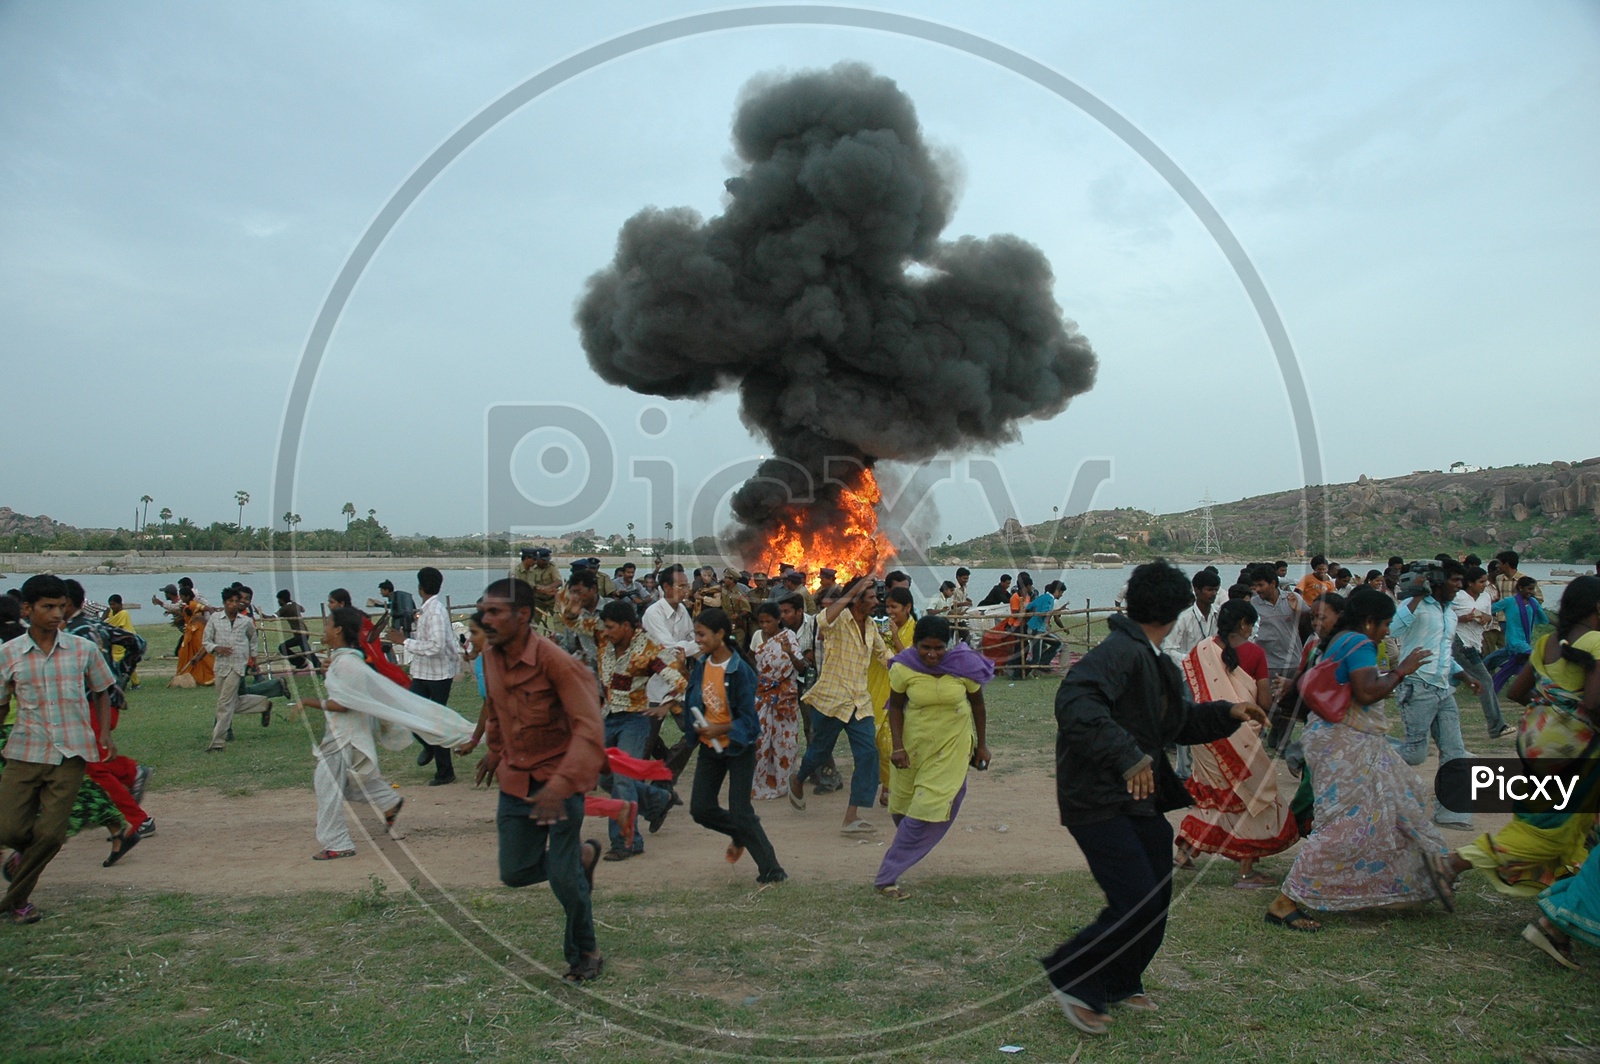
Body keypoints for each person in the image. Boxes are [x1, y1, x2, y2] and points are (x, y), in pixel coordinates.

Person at [1042, 561, 1268, 1035]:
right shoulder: (1118, 652)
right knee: (1135, 898)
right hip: (1098, 798)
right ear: (1178, 609)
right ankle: (1071, 971)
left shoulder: (1153, 659)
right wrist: (1129, 755)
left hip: (1135, 800)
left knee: (1156, 892)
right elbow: (1075, 705)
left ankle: (1121, 980)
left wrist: (1228, 710)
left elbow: (1177, 722)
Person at [1264, 588, 1458, 933]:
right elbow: (1367, 691)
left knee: (1402, 798)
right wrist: (1403, 670)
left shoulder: (1339, 640)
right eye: (1384, 623)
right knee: (1344, 826)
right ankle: (1285, 902)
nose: (1386, 631)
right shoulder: (1360, 644)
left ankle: (1428, 873)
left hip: (1341, 740)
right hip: (1345, 744)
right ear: (1369, 621)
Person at [476, 578, 606, 984]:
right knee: (513, 872)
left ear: (524, 615)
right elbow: (498, 710)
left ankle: (585, 952)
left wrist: (561, 785)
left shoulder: (557, 663)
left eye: (495, 611)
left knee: (565, 881)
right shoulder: (490, 656)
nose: (486, 619)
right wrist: (494, 751)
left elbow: (588, 730)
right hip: (515, 779)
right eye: (484, 610)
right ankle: (585, 857)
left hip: (558, 782)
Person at [1450, 576, 1599, 897]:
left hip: (1537, 744)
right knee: (1549, 829)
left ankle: (1567, 889)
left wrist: (1553, 707)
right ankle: (1453, 862)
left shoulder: (1548, 643)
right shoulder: (1596, 642)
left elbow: (1517, 691)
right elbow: (1595, 703)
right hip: (1573, 751)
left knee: (1567, 820)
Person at [297, 607, 475, 859]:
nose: (324, 628)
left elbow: (344, 704)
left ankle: (337, 843)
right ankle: (387, 801)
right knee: (341, 786)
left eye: (327, 623)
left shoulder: (347, 662)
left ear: (338, 629)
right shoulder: (344, 659)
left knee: (327, 787)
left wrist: (308, 702)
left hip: (342, 736)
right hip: (343, 733)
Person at [0, 575, 119, 924]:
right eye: (47, 607)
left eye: (61, 607)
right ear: (27, 609)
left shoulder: (83, 650)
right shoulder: (8, 654)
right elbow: (3, 701)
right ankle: (24, 857)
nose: (57, 614)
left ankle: (17, 901)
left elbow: (102, 690)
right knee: (8, 830)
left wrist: (106, 735)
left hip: (71, 752)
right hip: (25, 750)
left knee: (51, 835)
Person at [1173, 600, 1296, 885]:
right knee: (1252, 797)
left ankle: (1184, 853)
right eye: (1251, 625)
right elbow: (1264, 702)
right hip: (1239, 737)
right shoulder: (1254, 653)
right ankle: (1246, 870)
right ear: (1243, 624)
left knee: (1211, 795)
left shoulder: (1201, 650)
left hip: (1204, 737)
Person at [874, 614, 992, 899]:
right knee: (902, 806)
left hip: (952, 747)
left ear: (948, 645)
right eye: (926, 647)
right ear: (915, 644)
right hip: (914, 747)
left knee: (928, 807)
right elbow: (897, 708)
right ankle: (910, 845)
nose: (932, 654)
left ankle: (887, 876)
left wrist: (982, 745)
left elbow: (978, 706)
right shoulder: (903, 668)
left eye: (939, 648)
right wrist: (898, 748)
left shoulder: (964, 666)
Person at [680, 607, 787, 883]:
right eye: (696, 634)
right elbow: (693, 699)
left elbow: (749, 722)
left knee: (741, 811)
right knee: (700, 810)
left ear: (720, 634)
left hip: (738, 747)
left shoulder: (740, 671)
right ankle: (741, 831)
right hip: (709, 747)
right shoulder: (702, 665)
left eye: (702, 635)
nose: (698, 640)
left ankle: (772, 870)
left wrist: (722, 727)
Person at [789, 576, 891, 835]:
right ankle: (799, 779)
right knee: (820, 752)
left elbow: (885, 656)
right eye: (871, 598)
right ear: (857, 600)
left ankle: (852, 817)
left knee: (868, 755)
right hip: (831, 700)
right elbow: (821, 620)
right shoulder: (837, 620)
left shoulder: (870, 627)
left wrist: (919, 667)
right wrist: (854, 589)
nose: (877, 602)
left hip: (859, 702)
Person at [1390, 563, 1483, 830]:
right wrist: (1418, 593)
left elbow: (1444, 653)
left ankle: (1452, 813)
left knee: (1454, 752)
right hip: (1417, 686)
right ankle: (1366, 749)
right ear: (1437, 581)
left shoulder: (1450, 613)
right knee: (1415, 753)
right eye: (1454, 580)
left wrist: (1465, 677)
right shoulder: (1415, 605)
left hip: (1443, 688)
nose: (1459, 585)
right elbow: (1393, 630)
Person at [593, 600, 684, 861]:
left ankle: (626, 842)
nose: (606, 632)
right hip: (608, 717)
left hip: (635, 720)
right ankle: (656, 800)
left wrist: (666, 704)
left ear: (626, 627)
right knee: (605, 778)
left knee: (621, 776)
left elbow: (678, 680)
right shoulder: (603, 640)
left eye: (610, 627)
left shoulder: (649, 650)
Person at [386, 567, 463, 785]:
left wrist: (405, 642)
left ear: (420, 587)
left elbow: (437, 646)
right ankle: (429, 745)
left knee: (435, 723)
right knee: (408, 712)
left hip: (438, 675)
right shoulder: (427, 610)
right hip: (422, 672)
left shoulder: (436, 611)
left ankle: (445, 771)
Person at [1163, 568, 1225, 780]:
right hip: (1187, 676)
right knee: (1187, 721)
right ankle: (1184, 771)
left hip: (1211, 675)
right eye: (1209, 590)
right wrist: (1192, 663)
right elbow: (1168, 648)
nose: (1213, 594)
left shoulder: (1218, 614)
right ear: (1197, 590)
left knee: (1209, 722)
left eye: (1215, 590)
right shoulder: (1184, 618)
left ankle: (1204, 770)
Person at [203, 587, 272, 750]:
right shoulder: (215, 619)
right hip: (220, 665)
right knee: (229, 702)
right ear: (224, 603)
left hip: (237, 666)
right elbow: (206, 641)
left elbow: (253, 640)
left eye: (236, 601)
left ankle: (218, 742)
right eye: (230, 602)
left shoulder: (245, 621)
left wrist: (253, 658)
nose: (234, 605)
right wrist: (216, 648)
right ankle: (262, 704)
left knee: (224, 704)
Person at [750, 602, 805, 801]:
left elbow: (801, 666)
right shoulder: (758, 637)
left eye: (769, 621)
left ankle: (783, 782)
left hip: (784, 698)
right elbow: (751, 658)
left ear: (778, 620)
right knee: (761, 740)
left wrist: (789, 652)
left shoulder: (788, 637)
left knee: (784, 741)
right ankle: (762, 782)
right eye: (761, 622)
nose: (765, 626)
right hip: (763, 696)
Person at [866, 587, 916, 804]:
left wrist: (894, 636)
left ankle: (890, 786)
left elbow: (910, 660)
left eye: (894, 607)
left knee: (891, 743)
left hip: (901, 693)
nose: (890, 611)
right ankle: (888, 783)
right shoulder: (881, 626)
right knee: (877, 741)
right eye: (887, 607)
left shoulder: (916, 629)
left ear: (908, 608)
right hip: (876, 685)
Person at [1249, 563, 1304, 751]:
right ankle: (1272, 732)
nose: (1257, 590)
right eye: (1255, 586)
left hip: (1293, 660)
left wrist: (1299, 611)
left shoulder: (1292, 598)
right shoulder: (1254, 604)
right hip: (1268, 663)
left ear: (1273, 583)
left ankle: (1283, 741)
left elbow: (1310, 622)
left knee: (1290, 703)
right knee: (1269, 703)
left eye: (1261, 585)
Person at [1451, 565, 1508, 739]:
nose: (1484, 585)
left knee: (1448, 683)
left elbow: (1489, 618)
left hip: (1475, 641)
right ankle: (1496, 725)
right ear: (1470, 583)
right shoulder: (1458, 597)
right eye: (1481, 582)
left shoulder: (1485, 598)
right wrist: (1462, 619)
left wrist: (1485, 619)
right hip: (1460, 641)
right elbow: (1445, 618)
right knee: (1485, 679)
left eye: (1485, 581)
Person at [327, 588, 409, 687]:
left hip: (360, 654)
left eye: (332, 602)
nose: (329, 605)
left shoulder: (350, 618)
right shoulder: (346, 616)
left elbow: (361, 637)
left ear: (342, 603)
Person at [1490, 576, 1550, 691]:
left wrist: (1561, 626)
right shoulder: (1509, 601)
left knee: (1510, 668)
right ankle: (1539, 689)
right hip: (1514, 641)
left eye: (1533, 589)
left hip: (1525, 640)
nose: (1531, 592)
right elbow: (1491, 608)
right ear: (1520, 588)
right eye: (1529, 589)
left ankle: (1492, 688)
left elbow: (1544, 617)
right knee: (1534, 661)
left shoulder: (1533, 602)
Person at [556, 570, 601, 672]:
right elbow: (568, 646)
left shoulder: (610, 609)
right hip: (585, 673)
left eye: (579, 592)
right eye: (572, 592)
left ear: (593, 589)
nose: (575, 597)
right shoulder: (574, 612)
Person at [173, 586, 215, 687]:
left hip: (197, 632)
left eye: (182, 596)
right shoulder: (187, 606)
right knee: (185, 652)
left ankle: (211, 675)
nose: (181, 598)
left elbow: (209, 609)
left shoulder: (194, 604)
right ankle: (189, 673)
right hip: (190, 632)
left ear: (187, 596)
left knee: (200, 653)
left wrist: (210, 622)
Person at [275, 589, 321, 671]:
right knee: (283, 647)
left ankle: (316, 667)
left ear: (282, 599)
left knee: (307, 653)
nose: (278, 602)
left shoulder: (285, 608)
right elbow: (303, 609)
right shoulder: (294, 604)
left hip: (300, 635)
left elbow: (271, 618)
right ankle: (301, 662)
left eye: (279, 600)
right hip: (303, 633)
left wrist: (260, 613)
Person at [510, 547, 561, 618]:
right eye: (534, 559)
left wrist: (545, 590)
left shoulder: (532, 571)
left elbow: (532, 586)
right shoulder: (515, 572)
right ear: (527, 558)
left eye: (536, 559)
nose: (535, 562)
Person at [1026, 579, 1064, 671]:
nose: (1061, 595)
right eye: (1061, 592)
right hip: (1036, 629)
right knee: (1035, 659)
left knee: (1058, 643)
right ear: (1057, 591)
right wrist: (1053, 612)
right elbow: (1044, 613)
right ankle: (1018, 674)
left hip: (1038, 628)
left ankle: (1043, 664)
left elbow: (1029, 606)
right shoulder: (1050, 599)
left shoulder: (1043, 597)